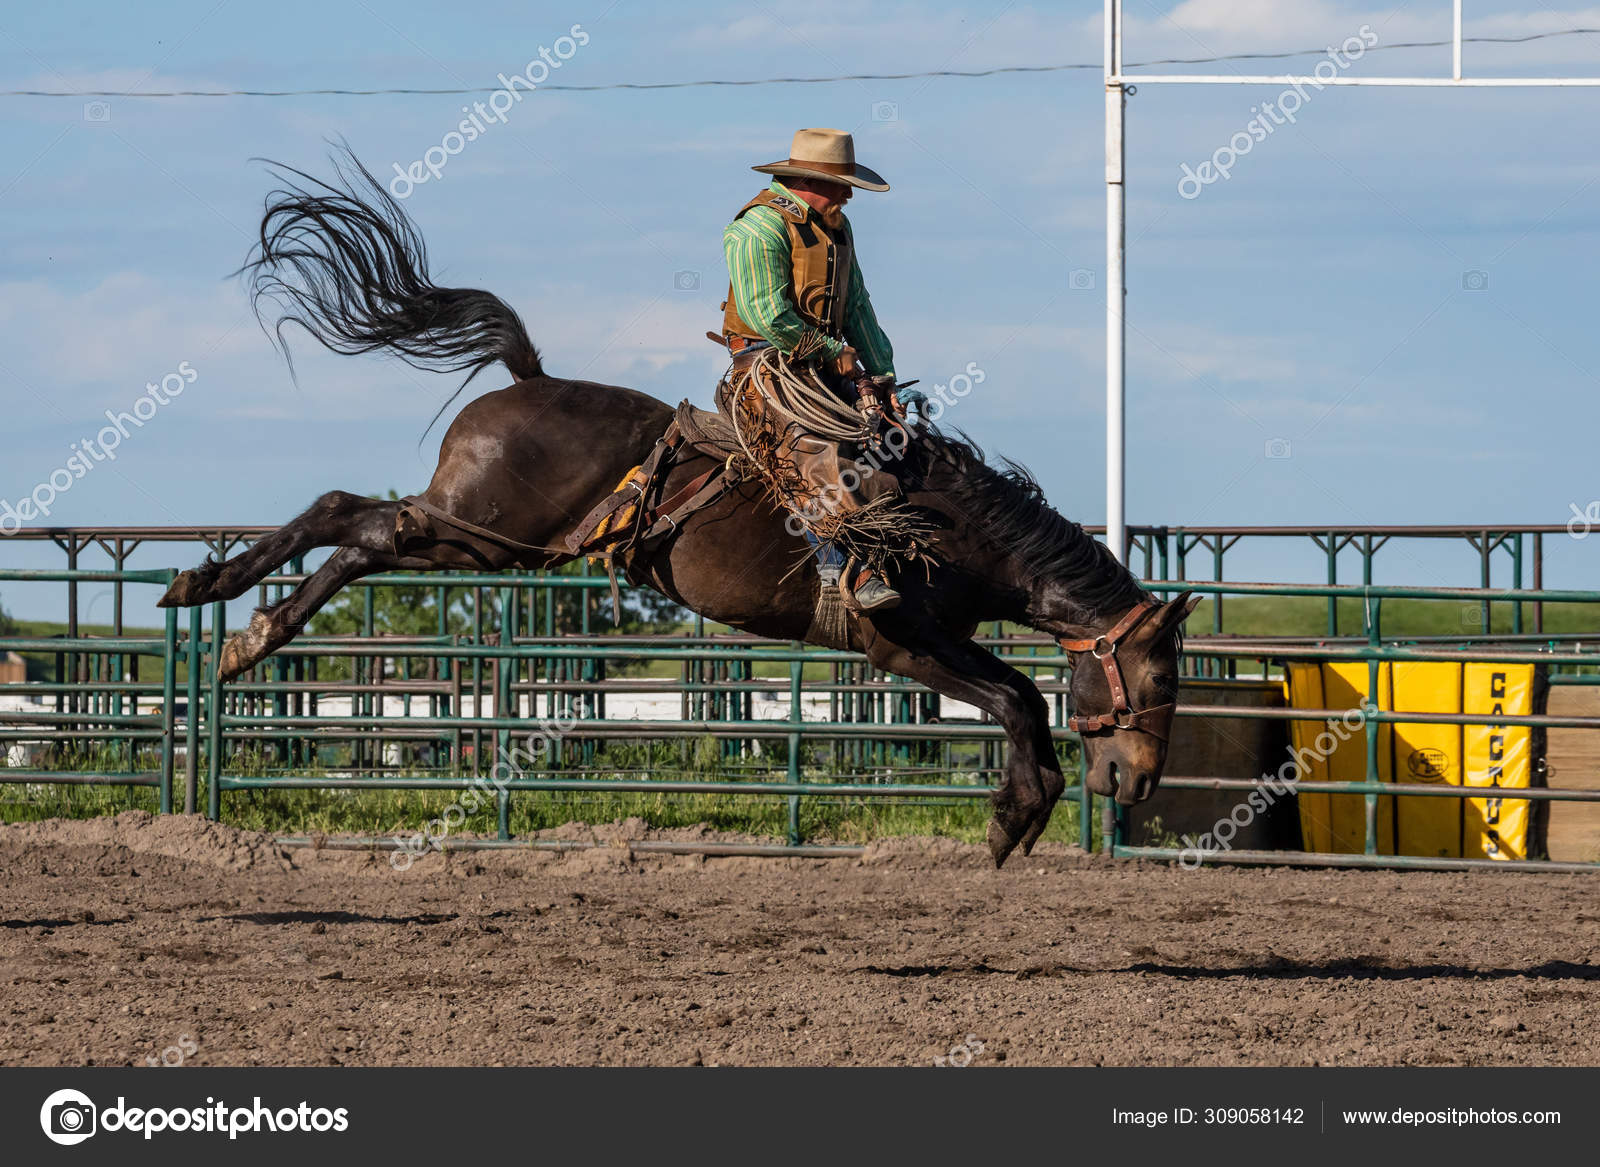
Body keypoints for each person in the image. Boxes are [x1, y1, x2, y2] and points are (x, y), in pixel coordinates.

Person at [719, 128, 903, 612]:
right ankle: (844, 568)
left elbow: (857, 305)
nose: (848, 195)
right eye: (843, 185)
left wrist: (882, 376)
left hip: (820, 363)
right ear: (810, 181)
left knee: (897, 441)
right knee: (810, 451)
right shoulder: (758, 227)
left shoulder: (836, 228)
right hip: (765, 364)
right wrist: (829, 351)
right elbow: (766, 315)